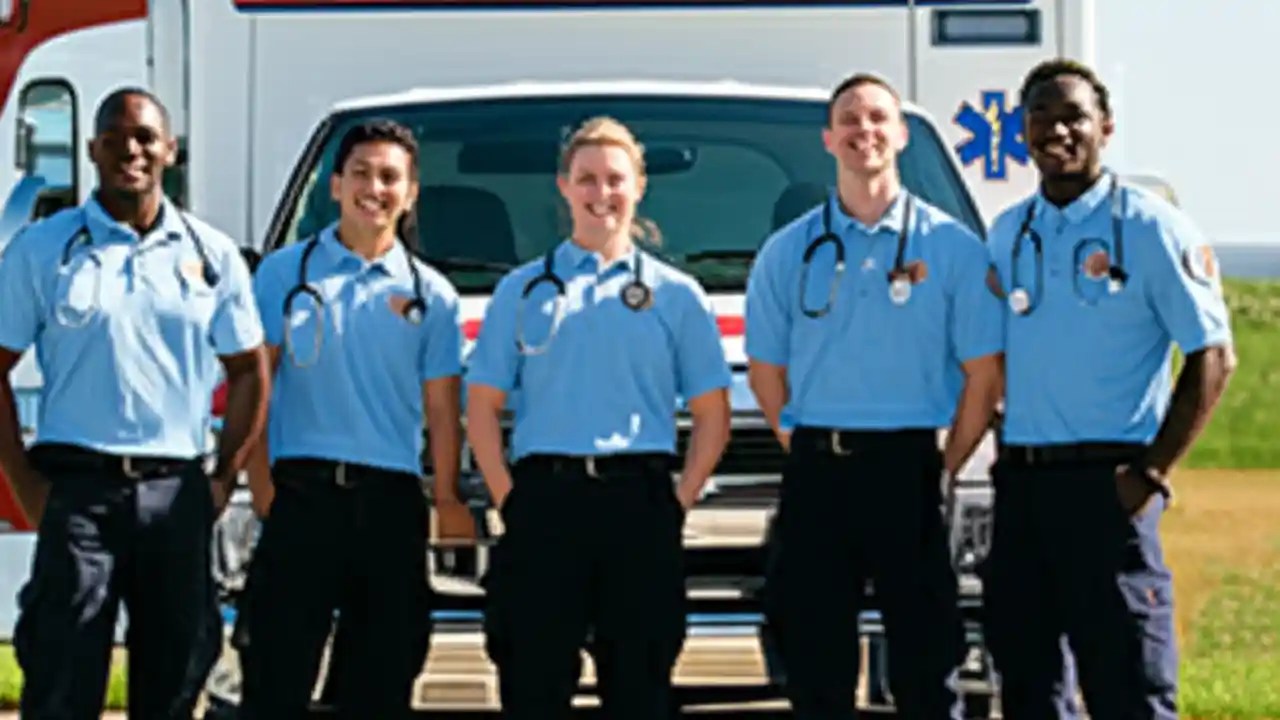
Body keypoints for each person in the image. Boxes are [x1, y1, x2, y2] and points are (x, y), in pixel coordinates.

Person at [0, 87, 269, 718]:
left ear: (170, 150)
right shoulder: (43, 250)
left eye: (146, 137)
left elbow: (250, 371)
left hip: (175, 492)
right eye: (115, 138)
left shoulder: (210, 254)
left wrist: (223, 477)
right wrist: (24, 482)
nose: (132, 150)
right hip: (77, 493)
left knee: (175, 677)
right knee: (62, 676)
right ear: (92, 150)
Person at [744, 73, 1005, 719]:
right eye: (850, 121)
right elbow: (766, 370)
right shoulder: (788, 250)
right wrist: (799, 440)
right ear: (829, 139)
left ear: (902, 134)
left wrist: (947, 462)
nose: (865, 132)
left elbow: (985, 373)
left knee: (926, 657)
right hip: (817, 473)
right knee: (814, 655)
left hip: (909, 469)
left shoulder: (952, 248)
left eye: (878, 119)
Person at [982, 59, 1235, 719]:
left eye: (1074, 116)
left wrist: (1151, 472)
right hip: (1024, 489)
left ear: (1106, 127)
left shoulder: (1151, 227)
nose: (1056, 131)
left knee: (1128, 685)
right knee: (1029, 685)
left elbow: (1213, 356)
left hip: (1110, 486)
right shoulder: (1009, 232)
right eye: (1040, 117)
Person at [465, 116, 732, 720]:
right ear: (563, 187)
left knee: (640, 688)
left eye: (615, 179)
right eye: (586, 179)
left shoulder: (676, 295)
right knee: (533, 685)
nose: (601, 193)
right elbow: (481, 407)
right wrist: (511, 499)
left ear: (639, 186)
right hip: (545, 505)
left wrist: (678, 501)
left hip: (638, 506)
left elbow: (711, 413)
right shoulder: (521, 290)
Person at [235, 119, 469, 718]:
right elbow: (256, 388)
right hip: (301, 497)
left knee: (382, 679)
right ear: (335, 186)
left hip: (390, 505)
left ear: (410, 193)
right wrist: (261, 487)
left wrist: (445, 496)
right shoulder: (283, 275)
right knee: (275, 676)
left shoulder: (433, 296)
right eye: (361, 173)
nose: (375, 188)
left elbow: (443, 413)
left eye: (390, 177)